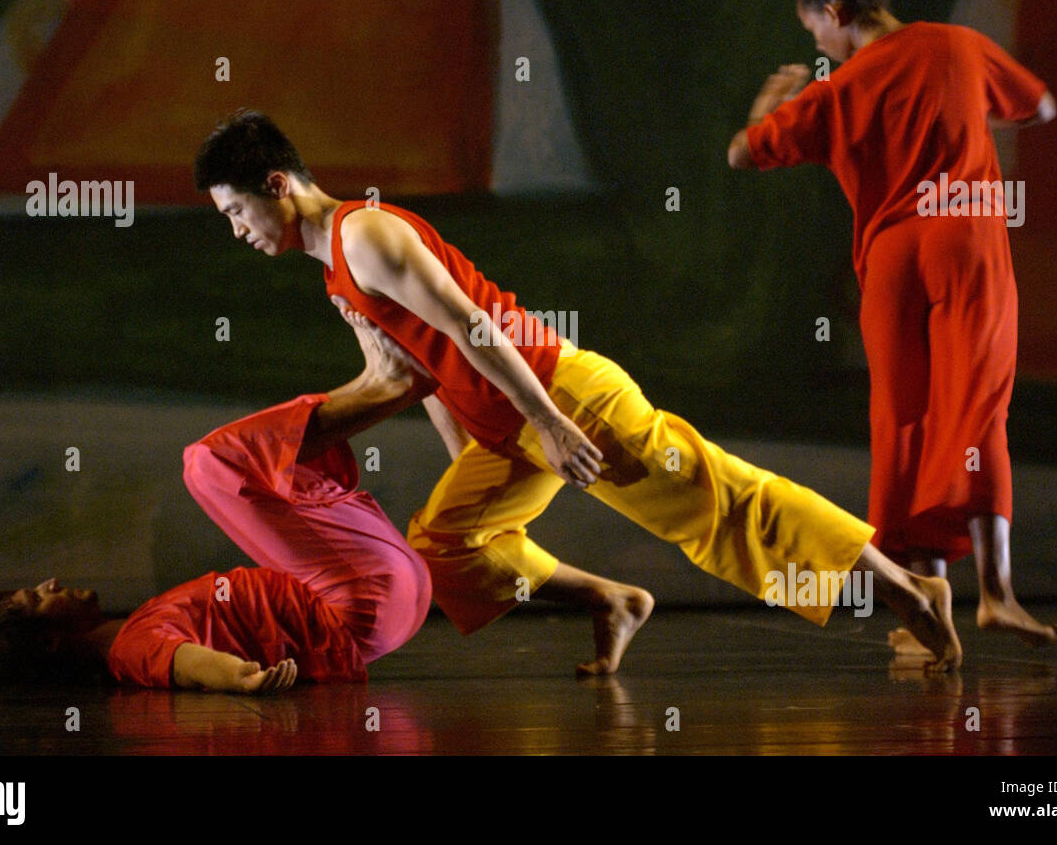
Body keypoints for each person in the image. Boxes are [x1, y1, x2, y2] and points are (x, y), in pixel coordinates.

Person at [192, 110, 963, 673]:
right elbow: (419, 370)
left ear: (277, 184)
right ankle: (613, 600)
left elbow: (471, 327)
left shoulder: (365, 235)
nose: (237, 230)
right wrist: (469, 452)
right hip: (511, 427)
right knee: (446, 550)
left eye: (236, 211)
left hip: (563, 397)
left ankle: (906, 588)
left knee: (714, 501)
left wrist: (551, 422)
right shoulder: (337, 269)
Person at [727, 0, 1057, 656]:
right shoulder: (957, 46)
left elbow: (743, 154)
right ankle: (998, 595)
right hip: (964, 241)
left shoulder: (833, 92)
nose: (816, 45)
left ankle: (920, 602)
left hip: (889, 264)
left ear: (837, 9)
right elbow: (1039, 105)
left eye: (815, 29)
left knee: (901, 425)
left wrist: (771, 104)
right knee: (975, 409)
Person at [0, 312, 445, 691]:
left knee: (278, 473)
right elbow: (188, 666)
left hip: (389, 601)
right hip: (359, 602)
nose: (50, 582)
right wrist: (238, 677)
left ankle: (395, 379)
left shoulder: (137, 628)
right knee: (209, 465)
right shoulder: (132, 650)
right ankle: (391, 383)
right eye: (37, 597)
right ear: (48, 640)